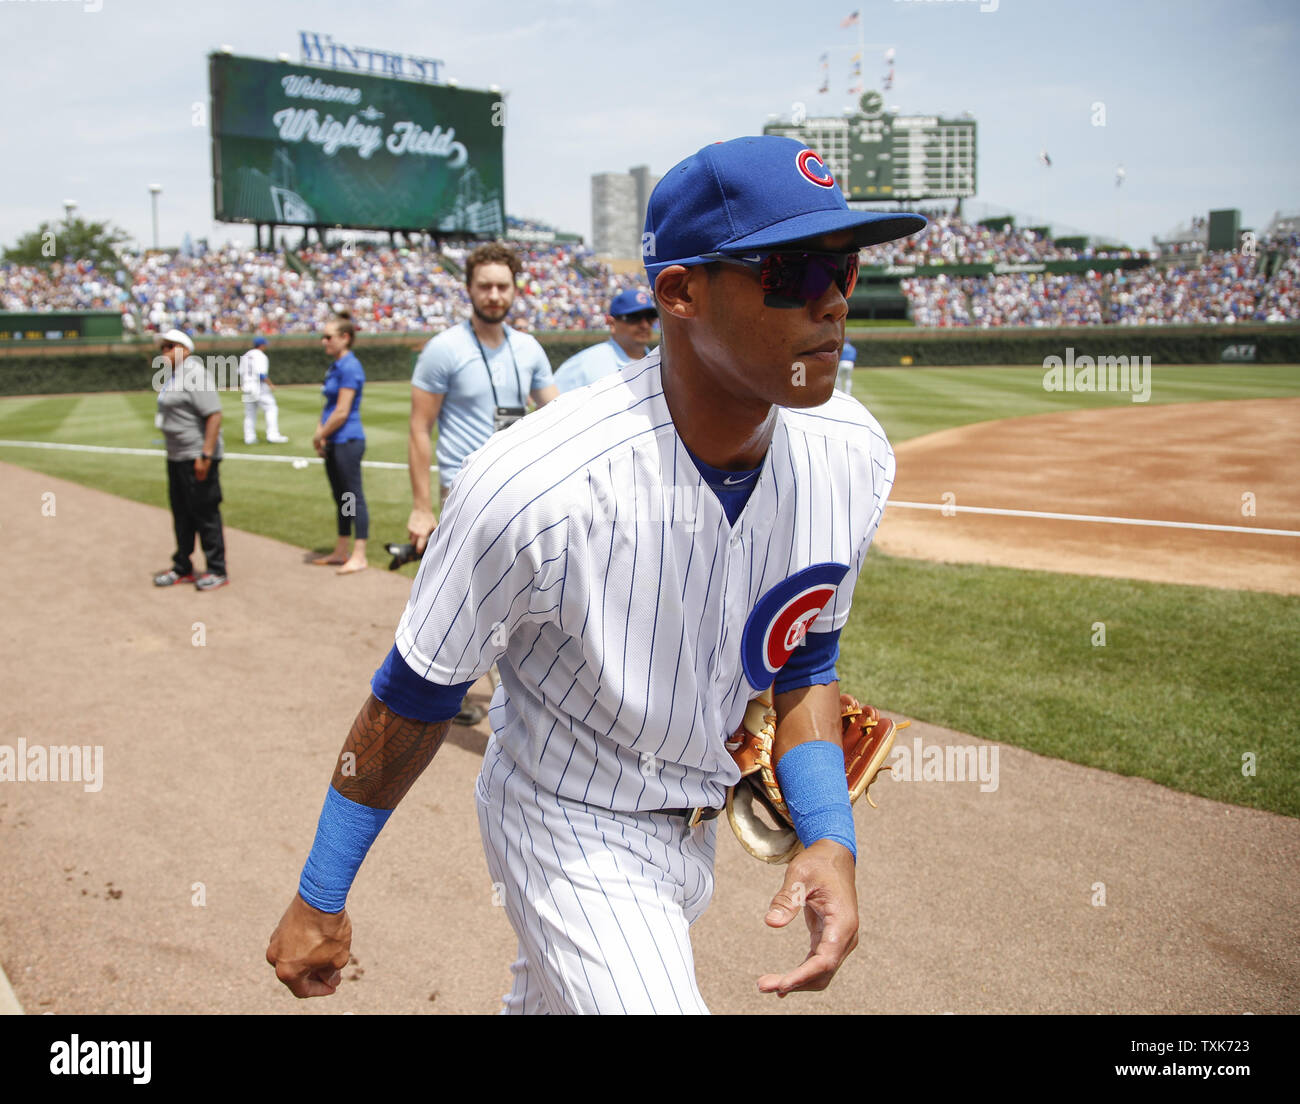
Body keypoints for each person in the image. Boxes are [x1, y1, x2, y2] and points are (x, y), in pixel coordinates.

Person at [266, 135, 926, 1013]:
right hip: (562, 819)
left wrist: (830, 835)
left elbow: (805, 665)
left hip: (694, 827)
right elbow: (415, 696)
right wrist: (321, 893)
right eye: (792, 272)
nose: (833, 303)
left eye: (844, 270)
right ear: (679, 291)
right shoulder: (533, 482)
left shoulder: (855, 454)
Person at [404, 242, 558, 724]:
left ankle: (511, 697)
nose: (494, 295)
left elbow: (555, 411)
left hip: (520, 488)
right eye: (484, 286)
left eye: (502, 286)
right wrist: (421, 506)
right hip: (463, 487)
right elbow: (418, 428)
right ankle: (440, 692)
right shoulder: (444, 349)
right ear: (469, 288)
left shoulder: (528, 347)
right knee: (462, 597)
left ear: (515, 290)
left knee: (526, 592)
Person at [152, 329, 229, 591]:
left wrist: (205, 454)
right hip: (177, 456)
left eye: (169, 346)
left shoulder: (195, 373)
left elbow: (214, 415)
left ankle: (217, 569)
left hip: (196, 455)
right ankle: (182, 566)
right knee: (182, 513)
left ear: (185, 349)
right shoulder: (174, 376)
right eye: (162, 347)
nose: (164, 351)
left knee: (205, 512)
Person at [311, 312, 368, 575]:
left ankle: (359, 553)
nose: (323, 341)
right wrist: (321, 431)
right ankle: (341, 550)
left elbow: (343, 411)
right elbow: (330, 405)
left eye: (328, 337)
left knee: (353, 496)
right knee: (342, 498)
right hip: (334, 439)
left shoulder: (350, 366)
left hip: (348, 439)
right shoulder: (335, 366)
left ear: (345, 338)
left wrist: (321, 433)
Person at [552, 287, 657, 393]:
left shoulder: (661, 363)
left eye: (650, 317)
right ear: (612, 324)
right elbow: (550, 404)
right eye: (634, 317)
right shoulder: (585, 365)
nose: (645, 325)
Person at [240, 335, 289, 444]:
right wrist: (270, 384)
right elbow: (261, 374)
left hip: (247, 386)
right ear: (261, 345)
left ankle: (249, 438)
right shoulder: (261, 355)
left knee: (249, 413)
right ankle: (273, 435)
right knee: (271, 408)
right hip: (258, 386)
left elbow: (240, 373)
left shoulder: (246, 355)